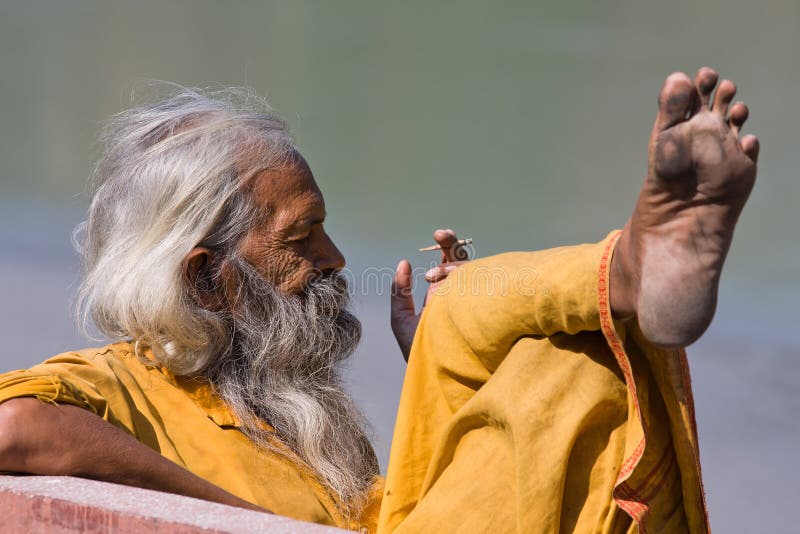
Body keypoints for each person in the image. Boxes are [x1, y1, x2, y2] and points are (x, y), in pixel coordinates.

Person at [0, 67, 757, 533]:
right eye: (302, 237)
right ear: (206, 280)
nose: (334, 259)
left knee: (481, 327)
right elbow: (16, 428)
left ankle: (630, 273)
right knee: (528, 356)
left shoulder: (289, 404)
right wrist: (240, 521)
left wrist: (436, 377)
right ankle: (629, 271)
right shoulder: (120, 383)